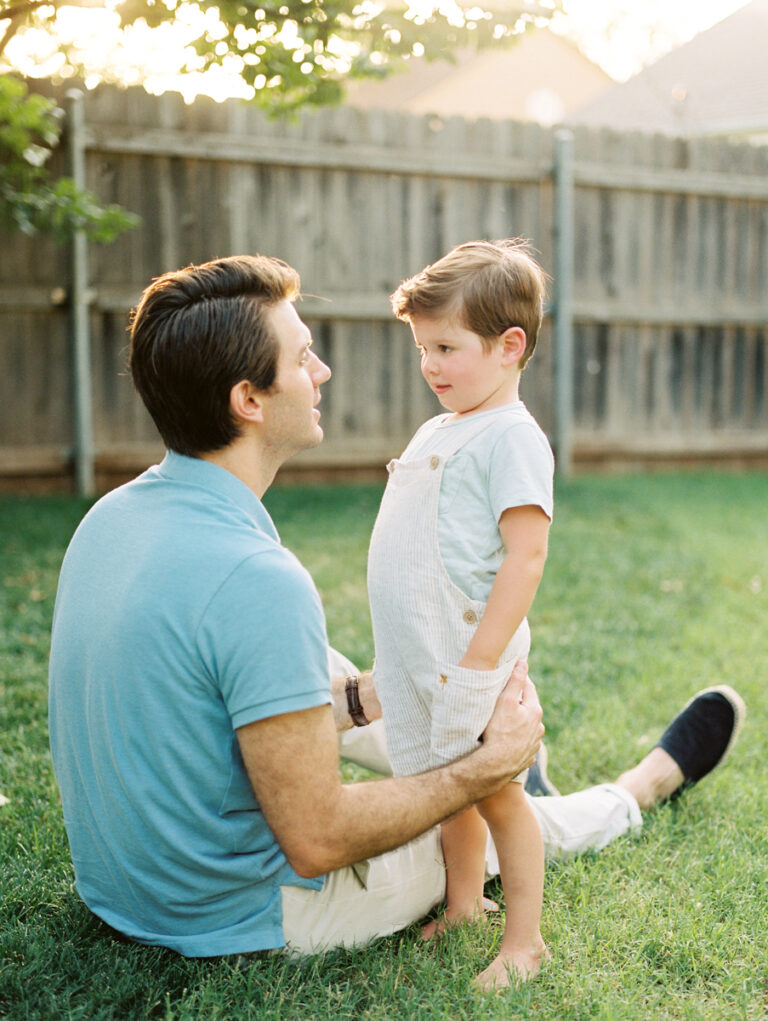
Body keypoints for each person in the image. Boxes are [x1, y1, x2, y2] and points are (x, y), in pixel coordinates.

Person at [48, 253, 745, 971]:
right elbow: (317, 838)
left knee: (328, 669)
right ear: (248, 400)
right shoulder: (258, 581)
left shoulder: (111, 518)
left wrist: (377, 693)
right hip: (242, 905)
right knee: (495, 808)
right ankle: (632, 788)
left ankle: (478, 742)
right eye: (303, 357)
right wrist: (478, 770)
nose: (321, 372)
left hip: (121, 882)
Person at [367, 239, 553, 988]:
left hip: (471, 655)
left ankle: (525, 940)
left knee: (495, 792)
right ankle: (465, 901)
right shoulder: (441, 427)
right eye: (422, 349)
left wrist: (483, 661)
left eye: (446, 346)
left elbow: (526, 555)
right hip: (421, 654)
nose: (431, 365)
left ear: (510, 347)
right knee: (448, 790)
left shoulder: (511, 436)